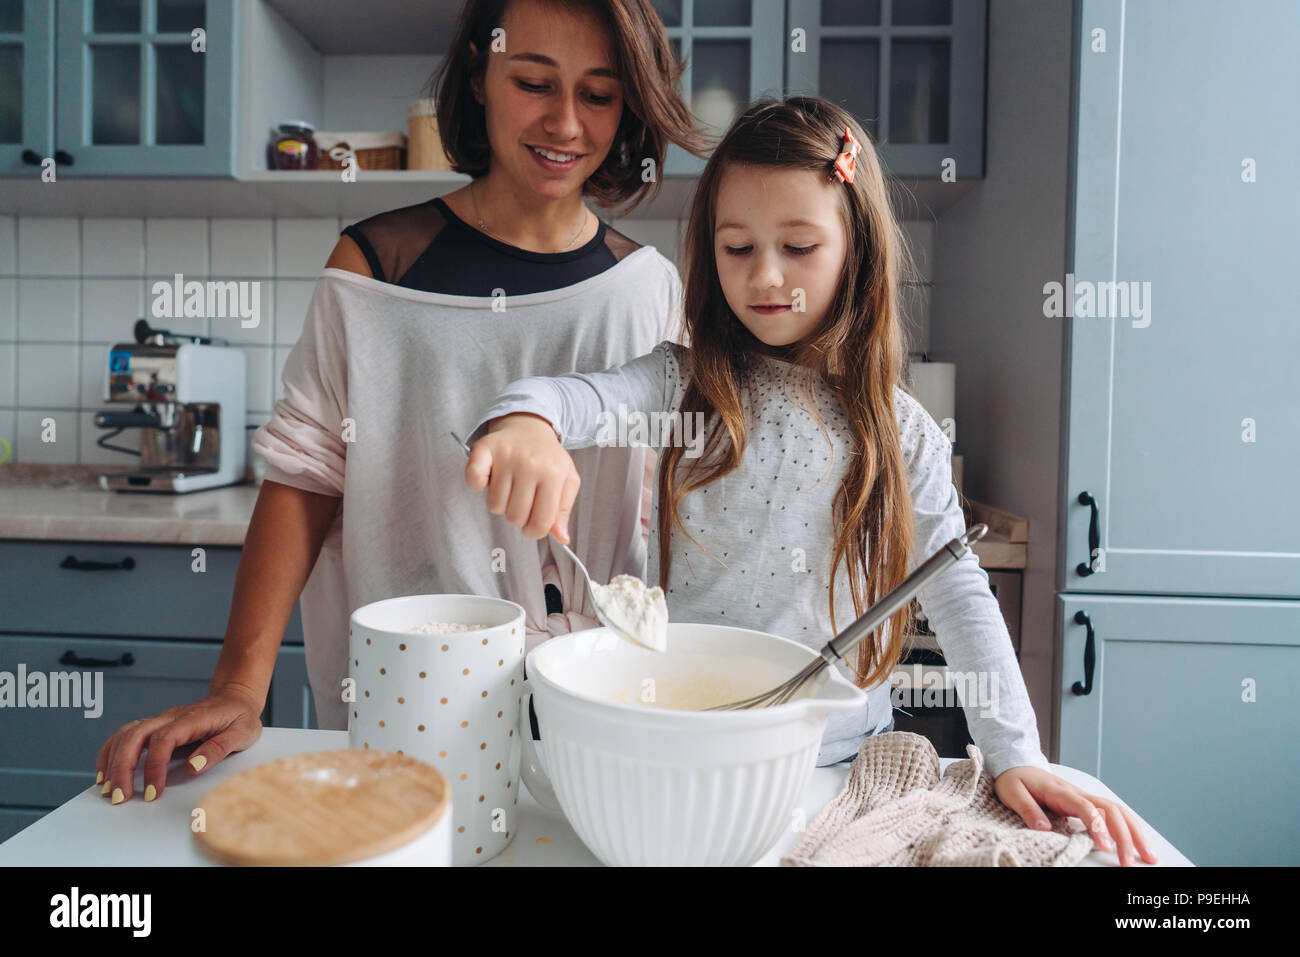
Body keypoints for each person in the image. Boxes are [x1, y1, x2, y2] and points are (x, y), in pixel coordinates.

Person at [463, 96, 1159, 867]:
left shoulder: (899, 431)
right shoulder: (679, 386)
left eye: (798, 246)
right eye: (737, 248)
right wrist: (527, 423)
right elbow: (574, 399)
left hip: (840, 765)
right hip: (693, 751)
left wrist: (1017, 750)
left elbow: (959, 595)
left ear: (855, 250)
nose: (765, 276)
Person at [92, 0, 707, 804]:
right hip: (408, 702)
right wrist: (240, 689)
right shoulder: (376, 265)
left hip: (591, 710)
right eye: (533, 82)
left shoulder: (647, 288)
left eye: (598, 95)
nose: (565, 123)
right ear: (480, 77)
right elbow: (304, 477)